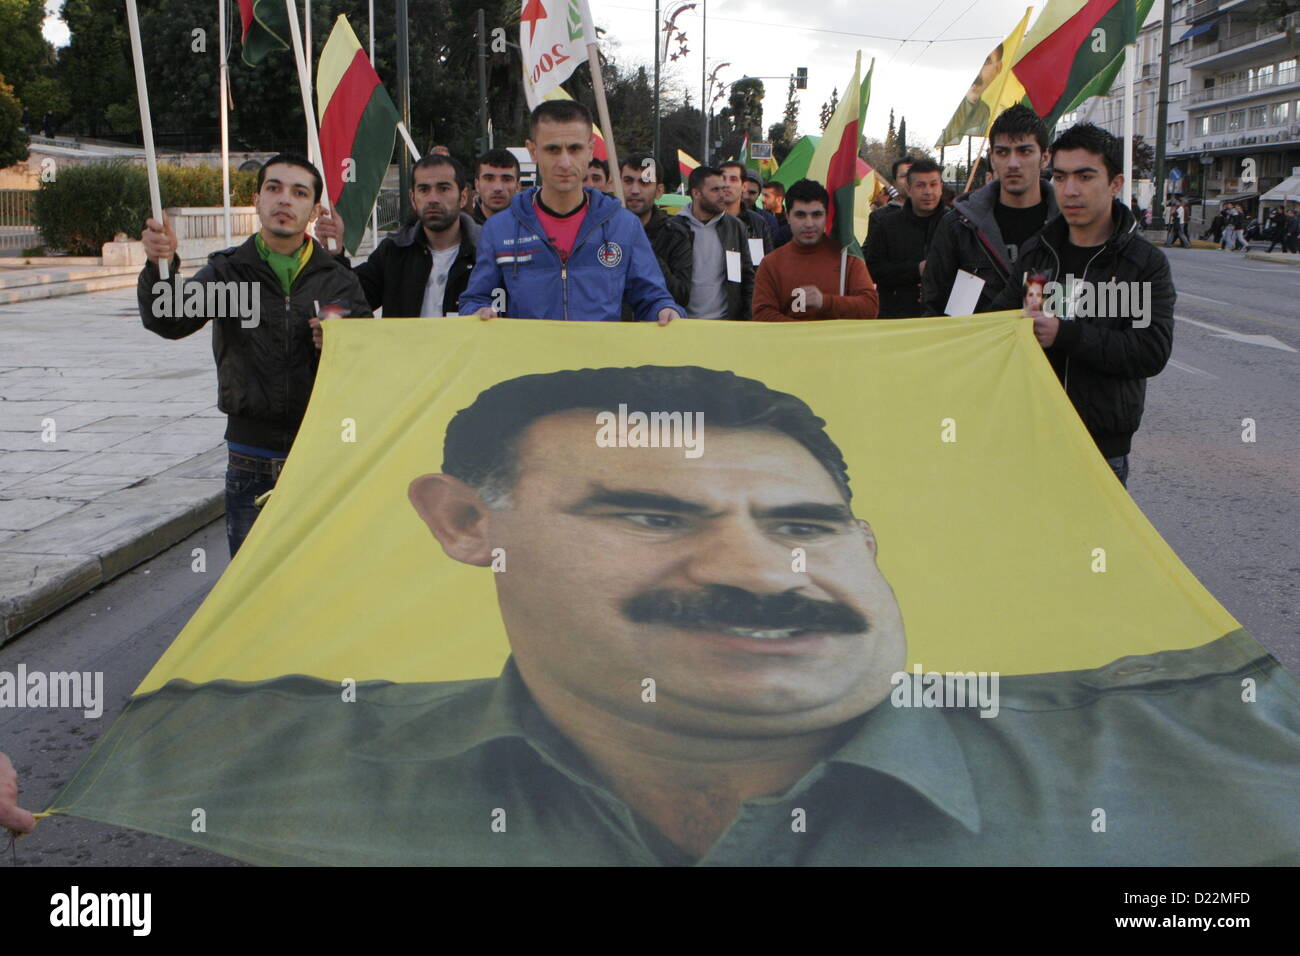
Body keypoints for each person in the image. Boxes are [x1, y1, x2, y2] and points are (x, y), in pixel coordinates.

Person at [13, 365, 1297, 865]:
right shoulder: (234, 758)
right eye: (647, 512)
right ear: (467, 524)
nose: (760, 570)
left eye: (804, 526)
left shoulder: (1204, 749)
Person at [136, 153, 371, 556]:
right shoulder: (231, 273)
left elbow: (370, 362)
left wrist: (341, 347)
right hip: (251, 460)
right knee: (252, 592)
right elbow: (169, 319)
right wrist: (161, 264)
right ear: (257, 200)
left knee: (317, 584)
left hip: (320, 456)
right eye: (273, 188)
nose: (285, 200)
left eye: (299, 193)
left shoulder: (336, 280)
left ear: (314, 210)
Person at [990, 123, 1175, 488]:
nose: (1070, 190)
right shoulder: (1038, 252)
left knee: (1093, 547)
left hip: (1100, 449)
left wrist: (1065, 334)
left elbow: (1148, 351)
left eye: (1085, 176)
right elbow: (996, 326)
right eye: (1060, 177)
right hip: (1029, 437)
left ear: (1115, 184)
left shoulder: (1139, 263)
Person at [458, 100, 680, 324]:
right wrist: (477, 312)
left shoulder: (623, 225)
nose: (565, 162)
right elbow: (475, 299)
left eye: (574, 149)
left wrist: (665, 310)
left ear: (590, 150)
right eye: (553, 149)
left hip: (600, 357)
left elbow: (652, 298)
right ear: (533, 151)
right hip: (530, 357)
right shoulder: (500, 228)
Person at [922, 105, 1057, 316]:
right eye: (1003, 152)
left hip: (1044, 348)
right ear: (992, 158)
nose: (1013, 163)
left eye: (1025, 151)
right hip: (975, 346)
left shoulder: (1068, 225)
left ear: (1045, 157)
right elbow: (934, 308)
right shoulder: (958, 226)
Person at [315, 153, 479, 319]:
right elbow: (351, 301)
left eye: (443, 189)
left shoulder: (485, 253)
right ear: (413, 198)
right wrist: (335, 253)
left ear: (463, 197)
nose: (433, 198)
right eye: (424, 190)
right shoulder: (393, 252)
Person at [751, 178, 879, 321]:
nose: (809, 223)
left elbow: (870, 308)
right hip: (791, 343)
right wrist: (806, 334)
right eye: (800, 215)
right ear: (787, 216)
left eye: (816, 215)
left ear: (827, 216)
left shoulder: (846, 257)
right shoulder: (771, 264)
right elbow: (762, 314)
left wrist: (825, 302)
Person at [655, 164, 754, 320]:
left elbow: (747, 276)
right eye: (715, 190)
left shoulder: (735, 227)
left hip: (726, 325)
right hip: (682, 323)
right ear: (696, 193)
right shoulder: (672, 229)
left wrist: (748, 318)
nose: (723, 195)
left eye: (723, 189)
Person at [864, 157, 946, 318]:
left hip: (943, 320)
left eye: (933, 184)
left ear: (941, 187)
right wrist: (915, 269)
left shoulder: (955, 225)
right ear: (909, 189)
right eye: (920, 185)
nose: (928, 191)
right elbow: (873, 269)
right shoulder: (886, 225)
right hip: (897, 318)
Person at [620, 153, 690, 321]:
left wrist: (645, 252)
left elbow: (682, 294)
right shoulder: (602, 231)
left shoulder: (675, 235)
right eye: (628, 181)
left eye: (644, 182)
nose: (635, 190)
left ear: (659, 191)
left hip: (655, 332)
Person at [936, 43, 1003, 146]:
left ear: (998, 67)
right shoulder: (955, 106)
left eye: (987, 62)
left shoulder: (989, 111)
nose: (979, 72)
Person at [719, 160, 774, 256]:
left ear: (744, 186)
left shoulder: (758, 223)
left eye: (733, 179)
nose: (727, 184)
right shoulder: (706, 221)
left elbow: (766, 263)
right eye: (722, 179)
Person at [469, 148, 521, 224]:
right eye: (489, 179)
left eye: (506, 179)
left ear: (517, 187)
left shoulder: (532, 230)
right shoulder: (461, 230)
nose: (498, 188)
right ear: (477, 185)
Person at [761, 179, 793, 248]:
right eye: (762, 195)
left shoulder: (789, 222)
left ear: (778, 200)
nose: (762, 199)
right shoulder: (759, 219)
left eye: (766, 196)